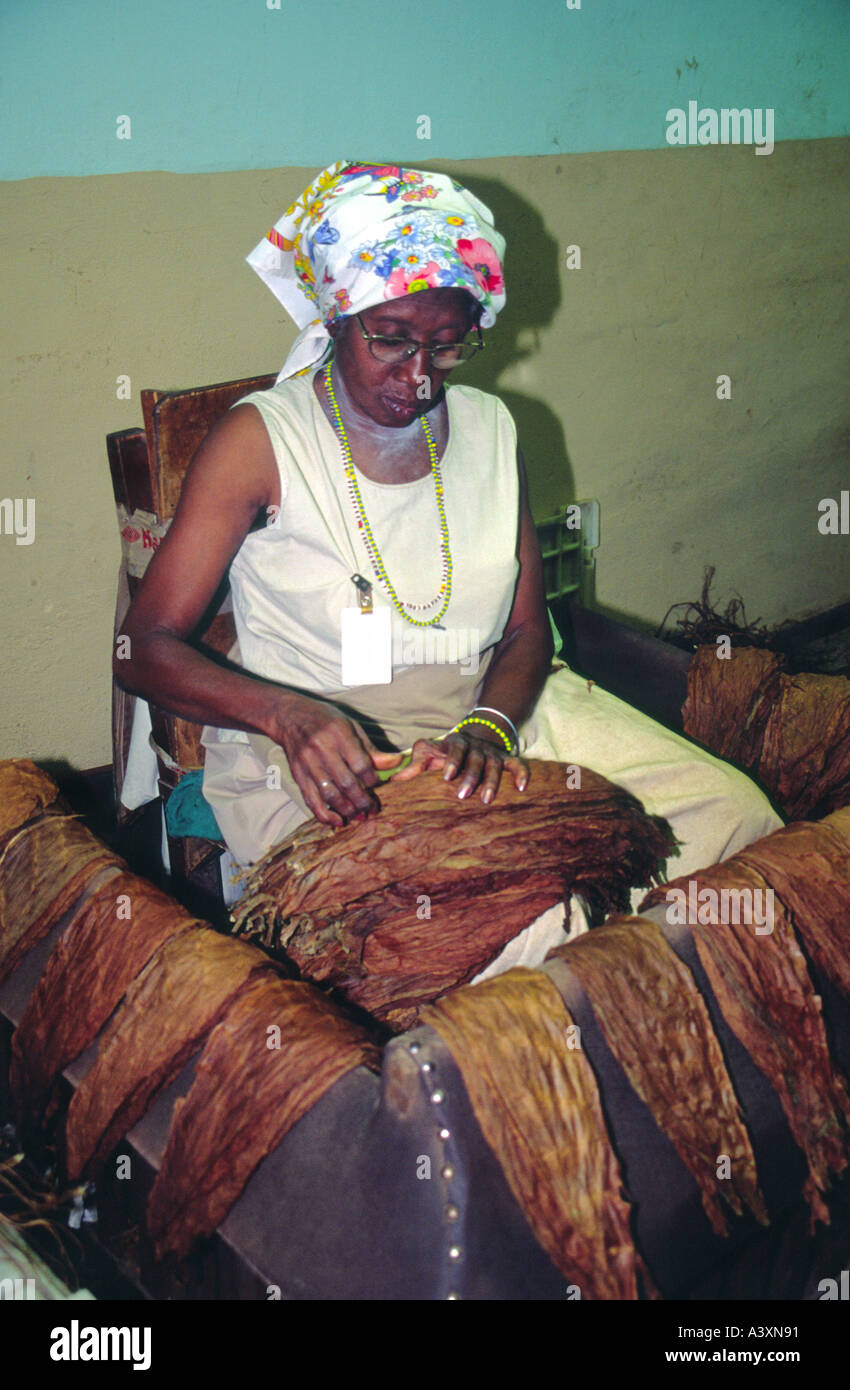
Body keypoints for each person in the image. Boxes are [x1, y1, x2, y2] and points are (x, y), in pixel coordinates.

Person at [117, 161, 781, 968]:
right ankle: (546, 1066)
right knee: (504, 927)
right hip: (331, 756)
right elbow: (144, 647)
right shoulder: (261, 442)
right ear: (336, 316)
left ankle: (657, 1028)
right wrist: (286, 717)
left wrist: (491, 724)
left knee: (734, 822)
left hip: (493, 719)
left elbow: (528, 630)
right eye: (390, 340)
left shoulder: (493, 429)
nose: (419, 376)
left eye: (447, 345)